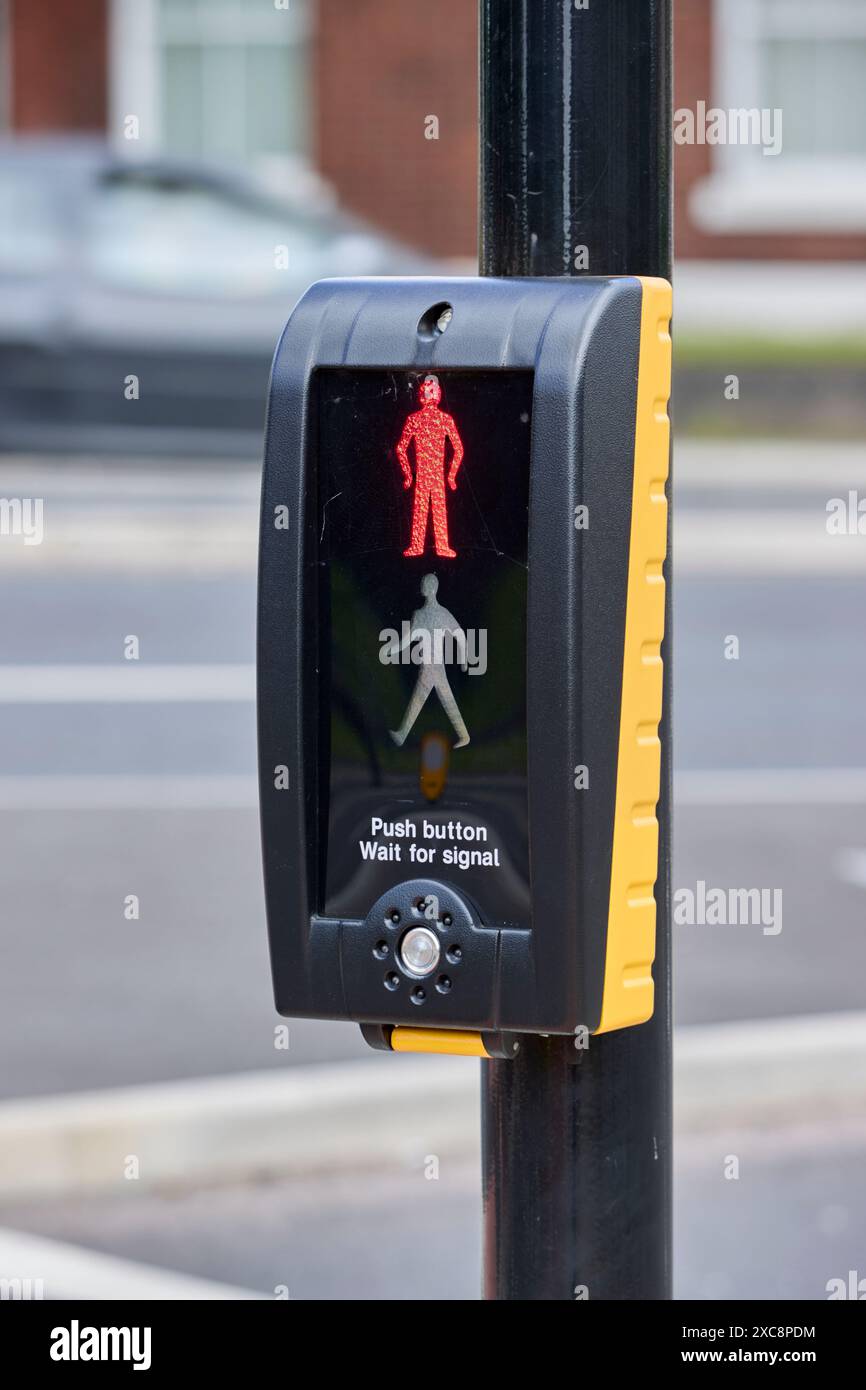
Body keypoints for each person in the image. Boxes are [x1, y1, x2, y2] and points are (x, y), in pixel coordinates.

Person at [389, 574, 470, 748]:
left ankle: (402, 735)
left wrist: (464, 659)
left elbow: (460, 636)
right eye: (422, 583)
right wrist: (392, 649)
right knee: (432, 700)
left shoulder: (439, 614)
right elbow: (408, 639)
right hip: (430, 668)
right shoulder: (422, 615)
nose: (422, 586)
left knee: (427, 700)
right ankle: (403, 734)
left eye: (424, 584)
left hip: (434, 669)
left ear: (432, 587)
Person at [395, 375, 464, 558]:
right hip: (433, 476)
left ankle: (425, 546)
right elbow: (458, 449)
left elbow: (401, 449)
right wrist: (451, 476)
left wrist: (408, 475)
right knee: (432, 510)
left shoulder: (417, 420)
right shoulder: (441, 419)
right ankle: (433, 546)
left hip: (428, 476)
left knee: (425, 510)